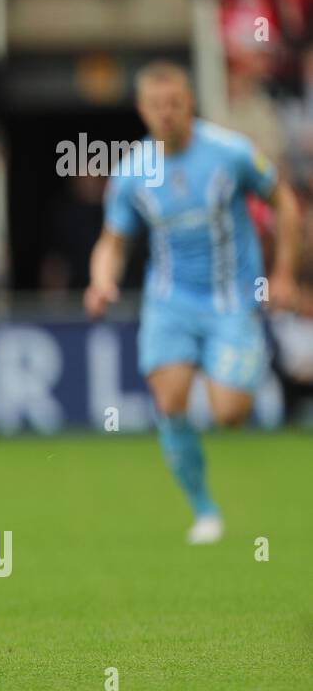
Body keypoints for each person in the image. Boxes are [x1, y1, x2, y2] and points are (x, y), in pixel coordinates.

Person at [85, 61, 302, 543]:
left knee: (228, 414)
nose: (166, 114)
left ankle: (240, 359)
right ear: (142, 109)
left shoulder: (230, 153)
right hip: (169, 302)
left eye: (174, 104)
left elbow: (284, 201)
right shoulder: (130, 173)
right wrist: (101, 281)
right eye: (156, 106)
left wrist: (282, 273)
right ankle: (205, 509)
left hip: (231, 299)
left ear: (191, 104)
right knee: (170, 401)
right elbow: (113, 241)